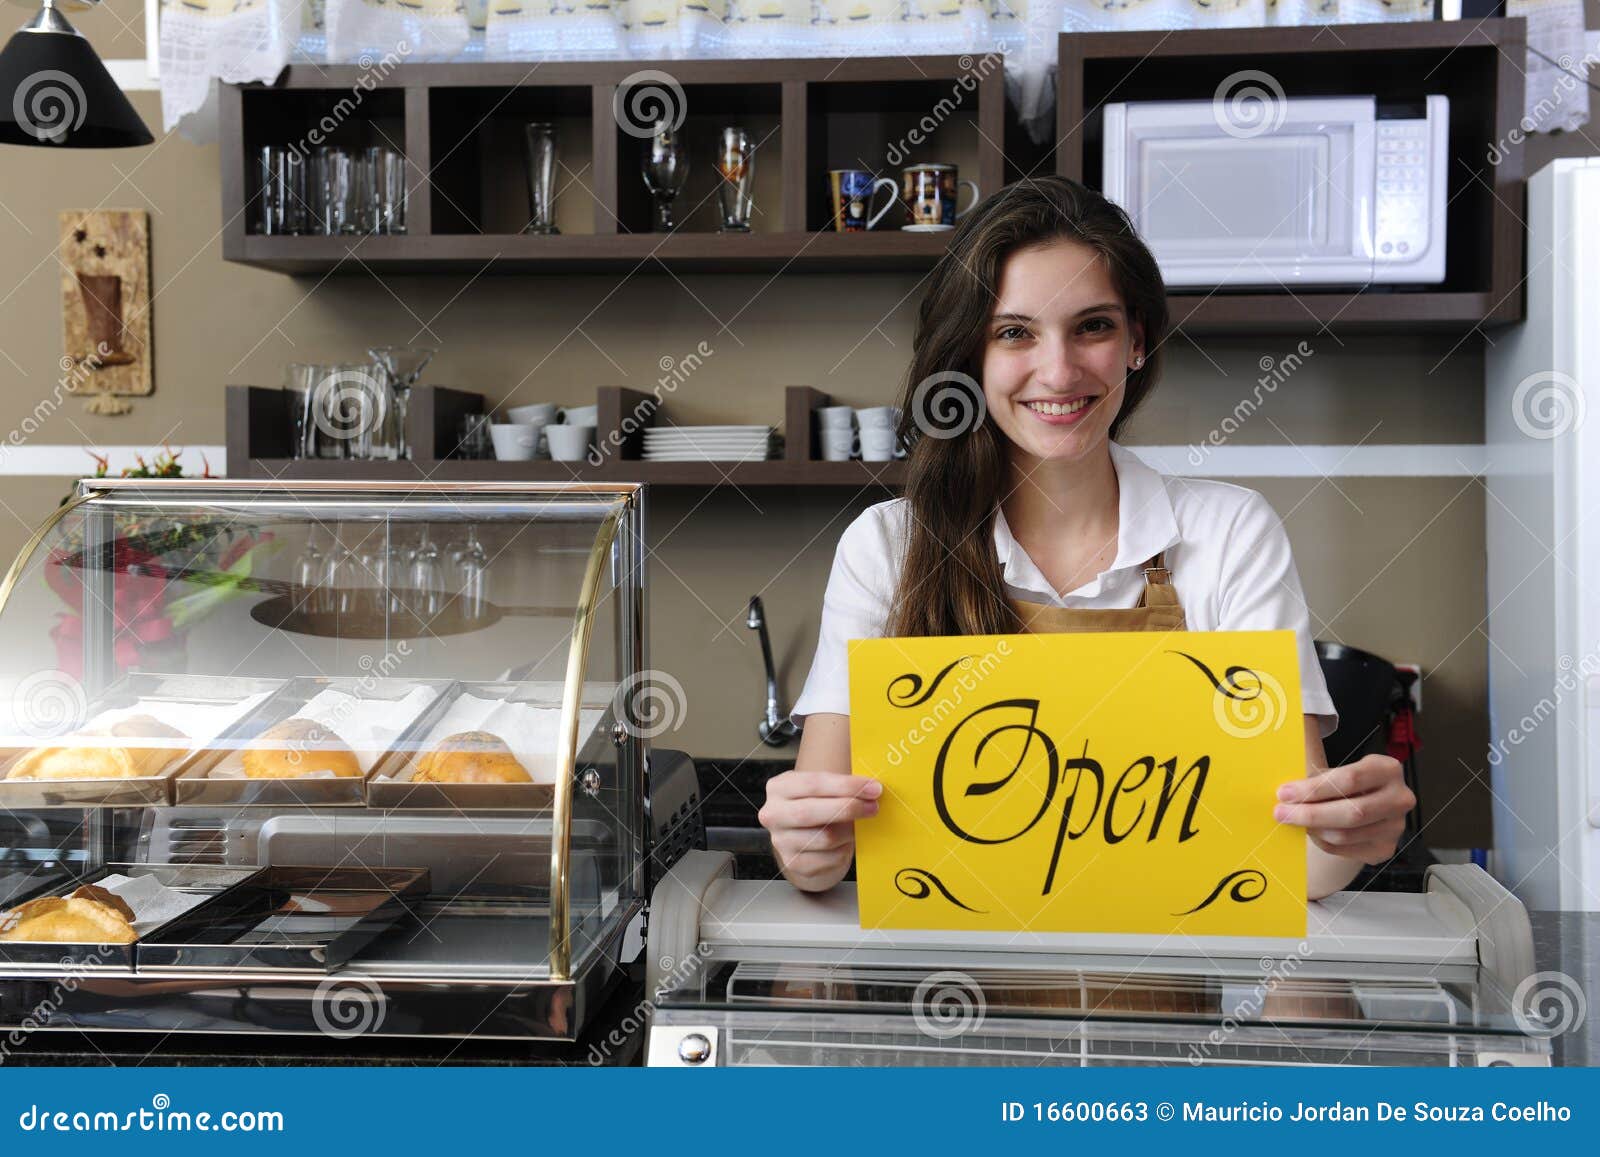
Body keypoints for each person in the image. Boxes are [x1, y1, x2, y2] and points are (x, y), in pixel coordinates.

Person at [760, 176, 1415, 901]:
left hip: (1172, 971)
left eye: (1093, 326)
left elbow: (1298, 862)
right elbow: (818, 859)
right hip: (946, 966)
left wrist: (1349, 834)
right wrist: (806, 842)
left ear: (1137, 340)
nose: (1059, 370)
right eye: (1015, 332)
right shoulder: (887, 547)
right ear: (970, 357)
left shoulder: (1231, 533)